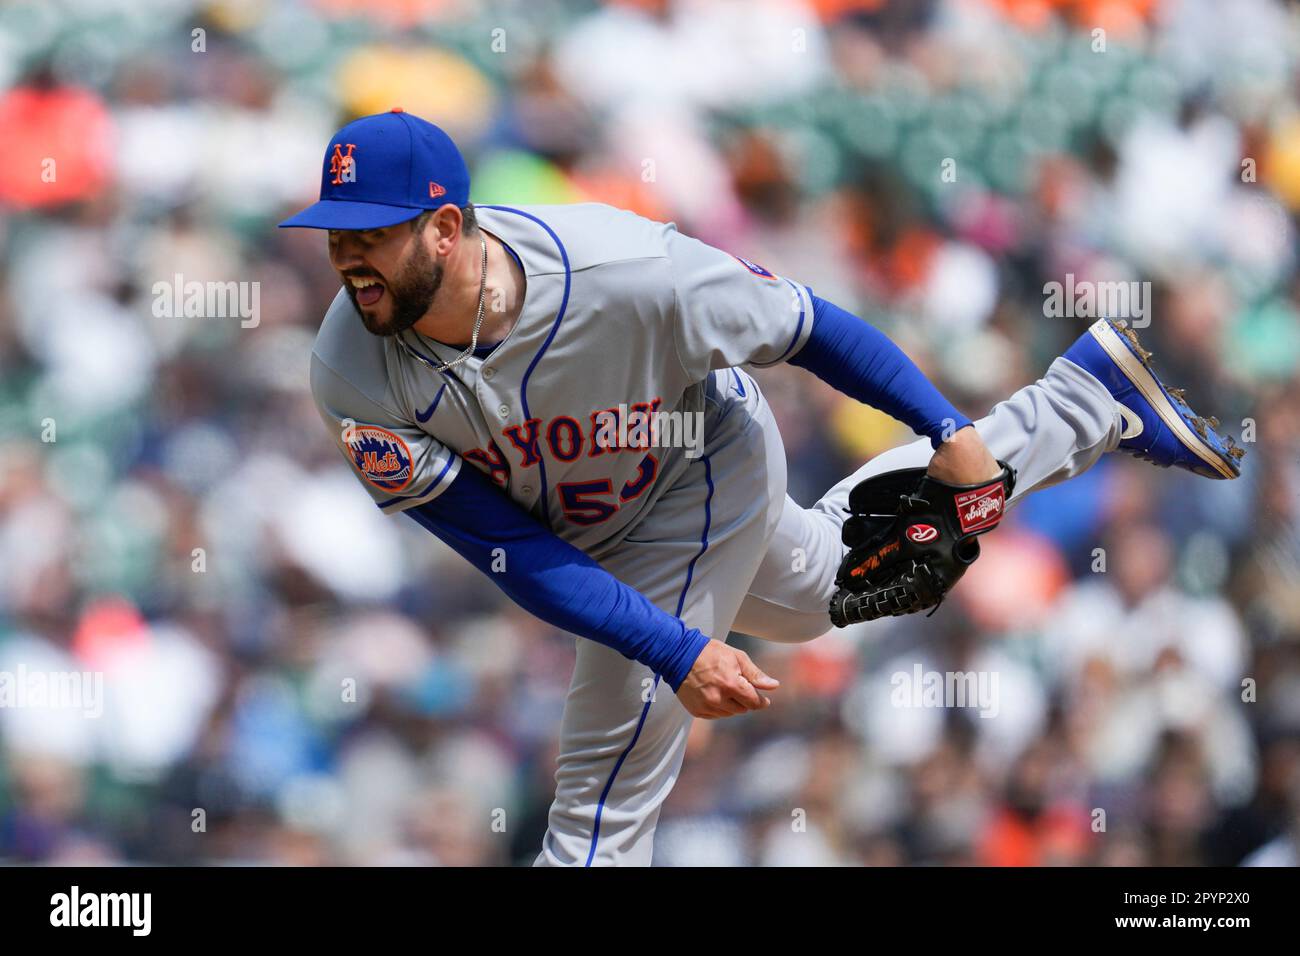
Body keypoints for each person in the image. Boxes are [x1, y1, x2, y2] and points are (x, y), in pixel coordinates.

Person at [281, 110, 1243, 866]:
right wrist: (676, 643)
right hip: (585, 527)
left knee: (599, 797)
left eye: (371, 234)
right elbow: (508, 547)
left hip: (698, 460)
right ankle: (1084, 399)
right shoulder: (351, 372)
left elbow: (808, 325)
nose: (345, 259)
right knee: (824, 588)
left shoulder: (630, 272)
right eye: (334, 235)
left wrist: (943, 428)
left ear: (447, 228)